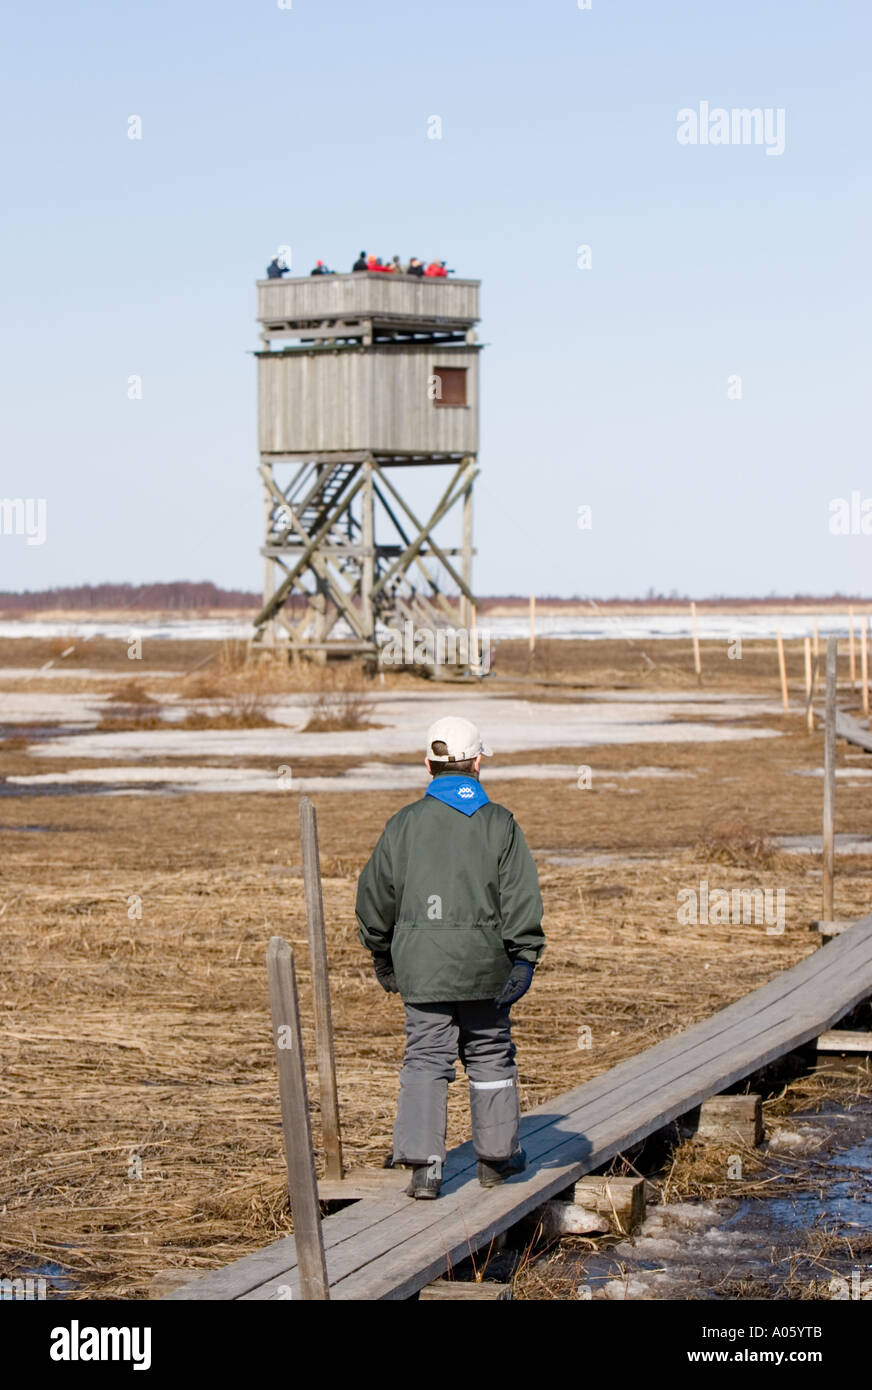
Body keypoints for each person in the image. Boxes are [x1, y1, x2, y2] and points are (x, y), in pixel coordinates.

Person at [356, 716, 545, 1199]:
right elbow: (520, 897)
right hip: (488, 969)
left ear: (428, 765)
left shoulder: (403, 825)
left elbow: (375, 898)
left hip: (422, 969)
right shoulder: (500, 823)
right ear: (478, 763)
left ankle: (424, 1167)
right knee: (489, 1055)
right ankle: (498, 1159)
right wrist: (524, 957)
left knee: (425, 1058)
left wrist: (382, 954)